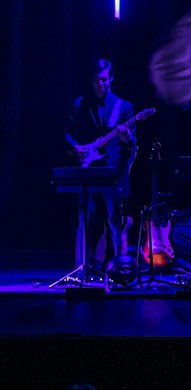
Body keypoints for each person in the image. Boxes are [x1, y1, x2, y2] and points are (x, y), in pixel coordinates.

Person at [63, 60, 138, 273]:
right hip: (88, 169)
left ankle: (120, 269)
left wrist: (127, 139)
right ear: (91, 80)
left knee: (116, 220)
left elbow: (132, 143)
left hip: (113, 171)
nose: (100, 84)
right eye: (96, 80)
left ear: (111, 79)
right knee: (85, 217)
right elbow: (67, 132)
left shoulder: (124, 107)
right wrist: (76, 147)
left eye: (104, 79)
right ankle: (82, 267)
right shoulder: (81, 104)